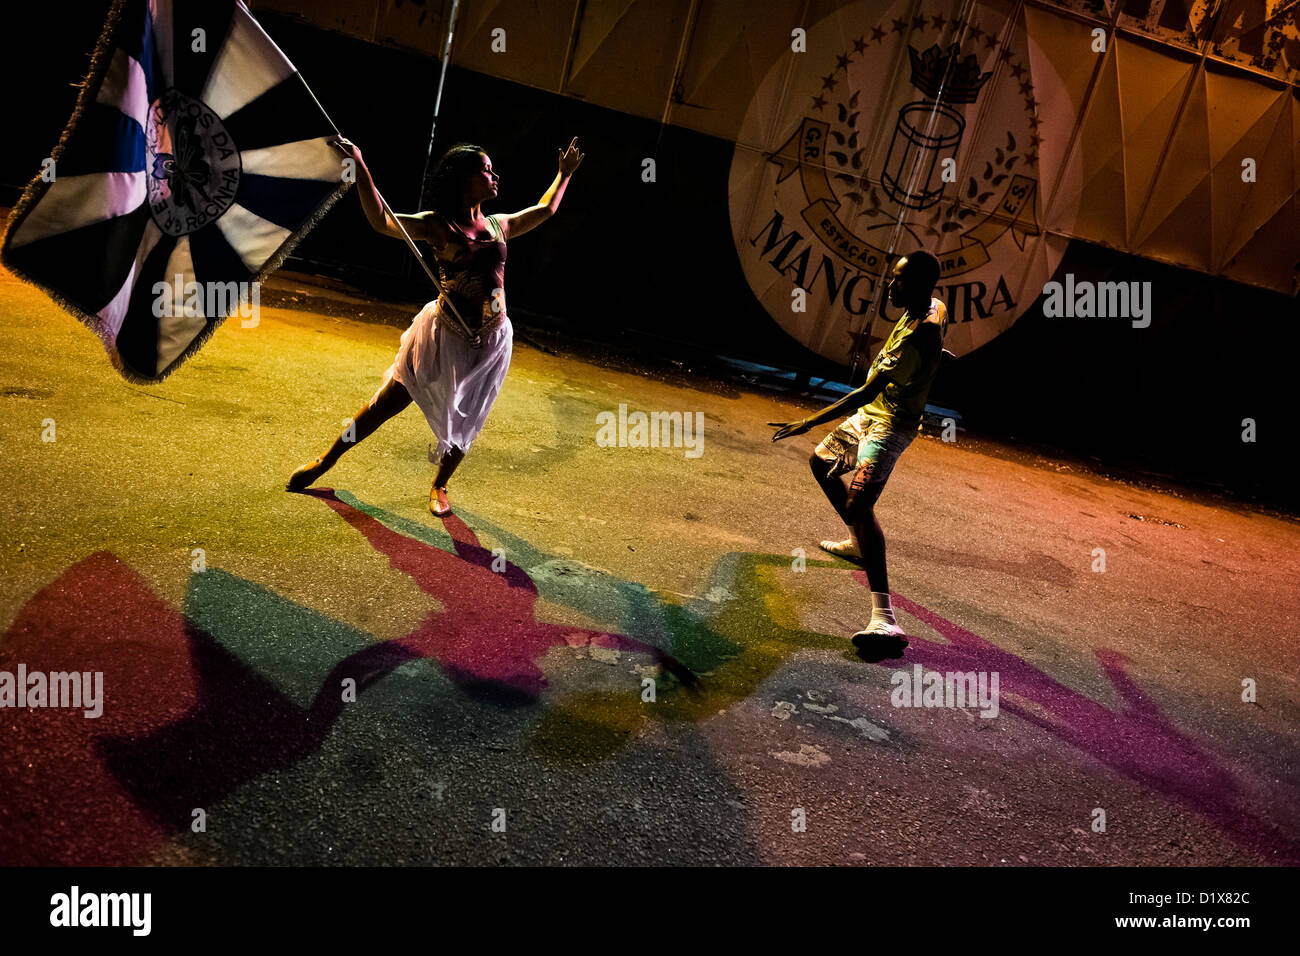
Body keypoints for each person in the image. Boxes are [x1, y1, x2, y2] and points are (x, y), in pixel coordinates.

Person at [287, 136, 584, 515]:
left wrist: (563, 175)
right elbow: (382, 221)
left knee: (468, 418)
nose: (494, 175)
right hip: (441, 336)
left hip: (489, 341)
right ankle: (326, 461)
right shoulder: (438, 226)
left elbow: (544, 210)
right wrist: (360, 167)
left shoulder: (498, 224)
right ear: (464, 178)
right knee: (384, 403)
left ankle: (440, 485)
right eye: (485, 170)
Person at [770, 251, 947, 649]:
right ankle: (857, 542)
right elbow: (937, 338)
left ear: (918, 285)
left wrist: (808, 420)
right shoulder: (934, 306)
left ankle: (885, 620)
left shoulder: (922, 331)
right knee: (821, 462)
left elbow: (865, 392)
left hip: (890, 425)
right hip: (874, 413)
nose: (890, 285)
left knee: (859, 505)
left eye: (899, 280)